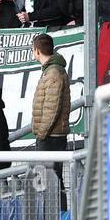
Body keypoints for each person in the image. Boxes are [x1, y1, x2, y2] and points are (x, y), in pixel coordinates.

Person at [31, 32, 71, 195]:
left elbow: (51, 108)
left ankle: (57, 218)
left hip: (51, 138)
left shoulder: (53, 73)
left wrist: (41, 134)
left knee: (51, 183)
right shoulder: (51, 71)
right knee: (51, 182)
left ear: (37, 51)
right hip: (50, 136)